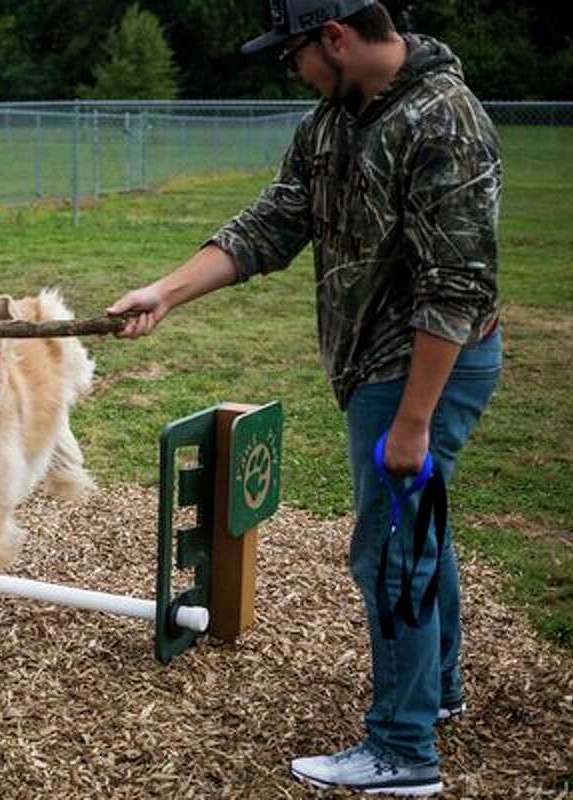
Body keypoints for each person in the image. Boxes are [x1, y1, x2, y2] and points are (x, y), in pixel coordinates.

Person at [108, 0, 502, 795]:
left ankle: (401, 752)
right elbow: (274, 222)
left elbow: (458, 287)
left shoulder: (443, 121)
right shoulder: (335, 119)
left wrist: (414, 421)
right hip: (377, 370)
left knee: (392, 548)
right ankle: (439, 690)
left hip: (423, 368)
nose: (292, 70)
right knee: (419, 527)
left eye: (295, 54)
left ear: (337, 38)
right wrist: (166, 292)